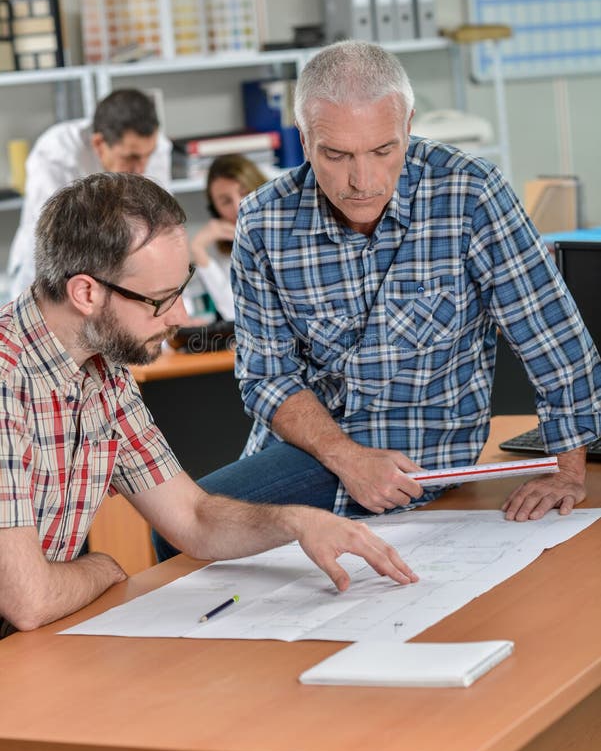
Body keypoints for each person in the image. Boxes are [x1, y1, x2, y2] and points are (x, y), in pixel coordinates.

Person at [0, 171, 418, 638]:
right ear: (86, 293)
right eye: (160, 300)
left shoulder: (104, 373)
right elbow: (28, 600)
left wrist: (298, 522)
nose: (180, 318)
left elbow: (193, 518)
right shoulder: (5, 380)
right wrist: (100, 567)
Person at [199, 40, 601, 524]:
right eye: (336, 155)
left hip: (422, 463)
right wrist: (349, 459)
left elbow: (553, 339)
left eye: (383, 149)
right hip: (313, 454)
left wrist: (568, 472)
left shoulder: (469, 194)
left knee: (197, 529)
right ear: (304, 142)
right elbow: (267, 376)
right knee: (185, 529)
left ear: (408, 129)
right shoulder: (264, 221)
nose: (362, 180)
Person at [7, 88, 172, 299]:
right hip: (48, 268)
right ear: (99, 144)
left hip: (119, 267)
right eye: (130, 157)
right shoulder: (55, 153)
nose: (141, 168)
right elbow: (52, 232)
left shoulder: (156, 148)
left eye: (148, 155)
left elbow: (160, 220)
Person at [184, 154, 267, 321]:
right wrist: (198, 250)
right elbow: (234, 313)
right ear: (216, 210)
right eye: (226, 201)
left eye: (245, 193)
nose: (239, 206)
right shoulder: (223, 253)